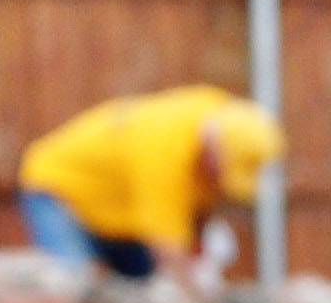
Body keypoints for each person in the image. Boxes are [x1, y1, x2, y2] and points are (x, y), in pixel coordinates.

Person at [15, 85, 280, 287]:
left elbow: (195, 219)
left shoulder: (217, 126)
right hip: (57, 189)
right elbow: (167, 247)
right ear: (212, 152)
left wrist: (200, 261)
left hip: (116, 211)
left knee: (137, 282)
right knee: (75, 282)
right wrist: (195, 300)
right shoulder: (165, 147)